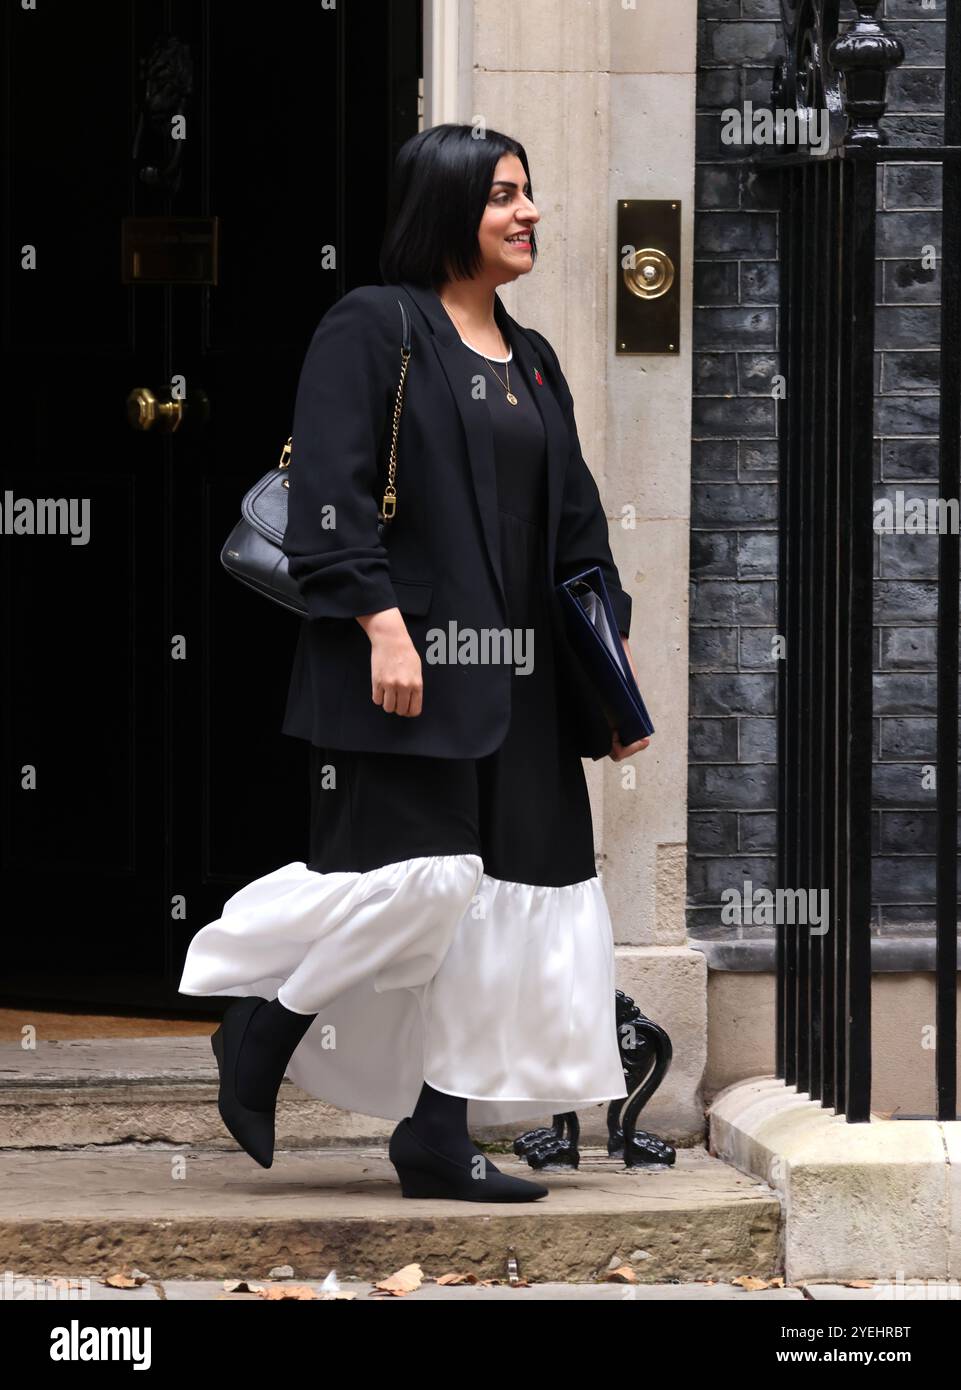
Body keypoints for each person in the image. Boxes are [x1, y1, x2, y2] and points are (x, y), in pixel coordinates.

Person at [179, 122, 652, 1203]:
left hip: (525, 684)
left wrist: (609, 673)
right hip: (406, 671)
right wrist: (381, 623)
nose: (527, 212)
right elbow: (332, 492)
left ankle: (437, 1136)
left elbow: (576, 532)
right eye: (501, 196)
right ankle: (265, 1022)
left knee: (515, 908)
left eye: (528, 192)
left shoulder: (532, 361)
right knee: (417, 885)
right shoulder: (374, 326)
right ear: (445, 208)